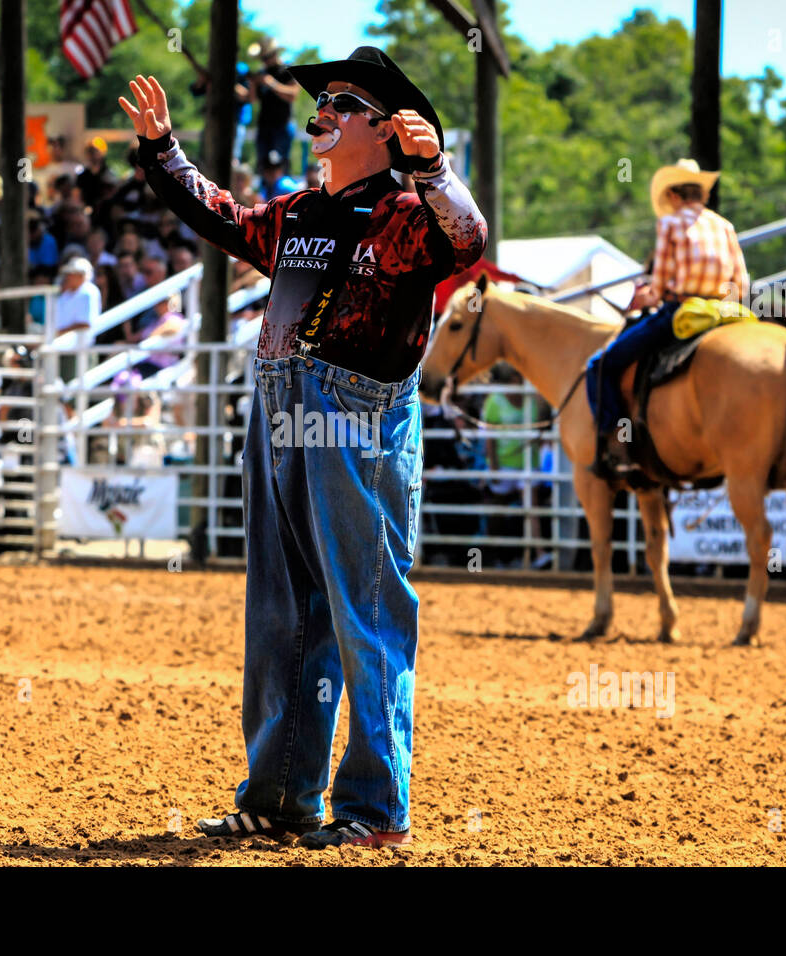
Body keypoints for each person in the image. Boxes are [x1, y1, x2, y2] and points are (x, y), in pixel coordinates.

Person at [119, 45, 486, 849]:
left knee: (367, 610)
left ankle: (375, 809)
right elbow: (221, 215)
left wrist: (434, 168)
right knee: (284, 610)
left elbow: (466, 239)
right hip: (284, 407)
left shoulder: (406, 213)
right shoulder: (301, 213)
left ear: (387, 131)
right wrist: (162, 155)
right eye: (322, 102)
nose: (321, 112)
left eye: (342, 103)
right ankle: (283, 796)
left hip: (356, 417)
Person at [585, 158, 748, 478]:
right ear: (698, 193)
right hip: (725, 313)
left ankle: (620, 444)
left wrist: (643, 298)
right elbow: (741, 285)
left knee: (599, 365)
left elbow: (658, 287)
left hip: (681, 312)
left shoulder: (670, 224)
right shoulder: (724, 225)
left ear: (674, 196)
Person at [249, 40, 299, 171]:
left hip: (282, 125)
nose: (264, 61)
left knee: (280, 164)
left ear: (275, 54)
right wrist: (253, 83)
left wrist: (271, 84)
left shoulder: (287, 70)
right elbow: (253, 100)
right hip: (264, 126)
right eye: (262, 58)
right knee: (263, 165)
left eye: (266, 57)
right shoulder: (262, 73)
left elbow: (293, 95)